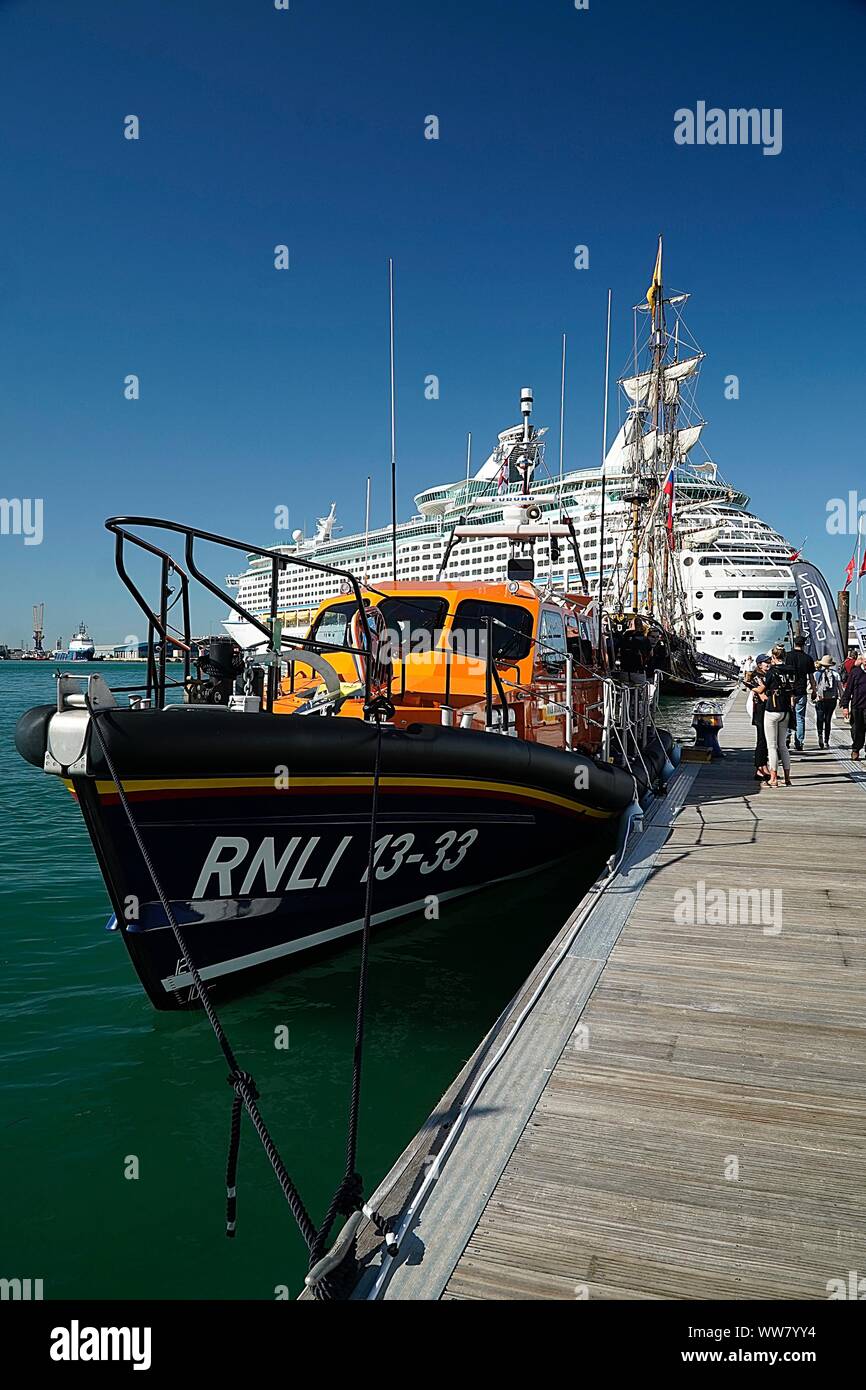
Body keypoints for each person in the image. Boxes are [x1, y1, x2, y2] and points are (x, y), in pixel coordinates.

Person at [754, 644, 796, 787]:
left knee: (772, 747)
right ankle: (787, 778)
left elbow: (762, 689)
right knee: (783, 746)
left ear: (773, 657)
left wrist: (750, 685)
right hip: (786, 711)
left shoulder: (772, 671)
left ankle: (773, 779)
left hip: (772, 710)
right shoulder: (791, 670)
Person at [743, 653, 771, 781]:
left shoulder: (766, 675)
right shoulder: (756, 676)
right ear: (759, 664)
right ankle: (759, 768)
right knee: (761, 739)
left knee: (766, 739)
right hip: (760, 709)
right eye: (766, 662)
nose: (768, 664)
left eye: (769, 662)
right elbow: (762, 694)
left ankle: (764, 765)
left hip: (766, 708)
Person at [787, 635, 816, 751]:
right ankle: (799, 742)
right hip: (801, 690)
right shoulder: (808, 658)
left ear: (794, 643)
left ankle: (787, 738)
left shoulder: (788, 656)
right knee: (800, 718)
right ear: (804, 645)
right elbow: (811, 677)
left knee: (788, 716)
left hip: (789, 691)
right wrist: (814, 690)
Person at [840, 653, 866, 761]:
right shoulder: (855, 672)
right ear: (862, 660)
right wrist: (845, 706)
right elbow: (848, 690)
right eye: (865, 661)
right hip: (857, 706)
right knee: (857, 730)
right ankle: (856, 749)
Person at [812, 654, 842, 749]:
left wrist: (814, 695)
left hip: (820, 699)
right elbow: (840, 688)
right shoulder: (835, 674)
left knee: (820, 718)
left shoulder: (816, 674)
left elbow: (813, 686)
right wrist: (842, 699)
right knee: (828, 719)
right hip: (832, 699)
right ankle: (826, 740)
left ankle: (820, 734)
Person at [618, 616, 653, 685]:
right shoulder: (644, 639)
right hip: (638, 671)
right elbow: (650, 654)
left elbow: (619, 651)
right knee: (640, 692)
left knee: (625, 692)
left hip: (624, 670)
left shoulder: (624, 637)